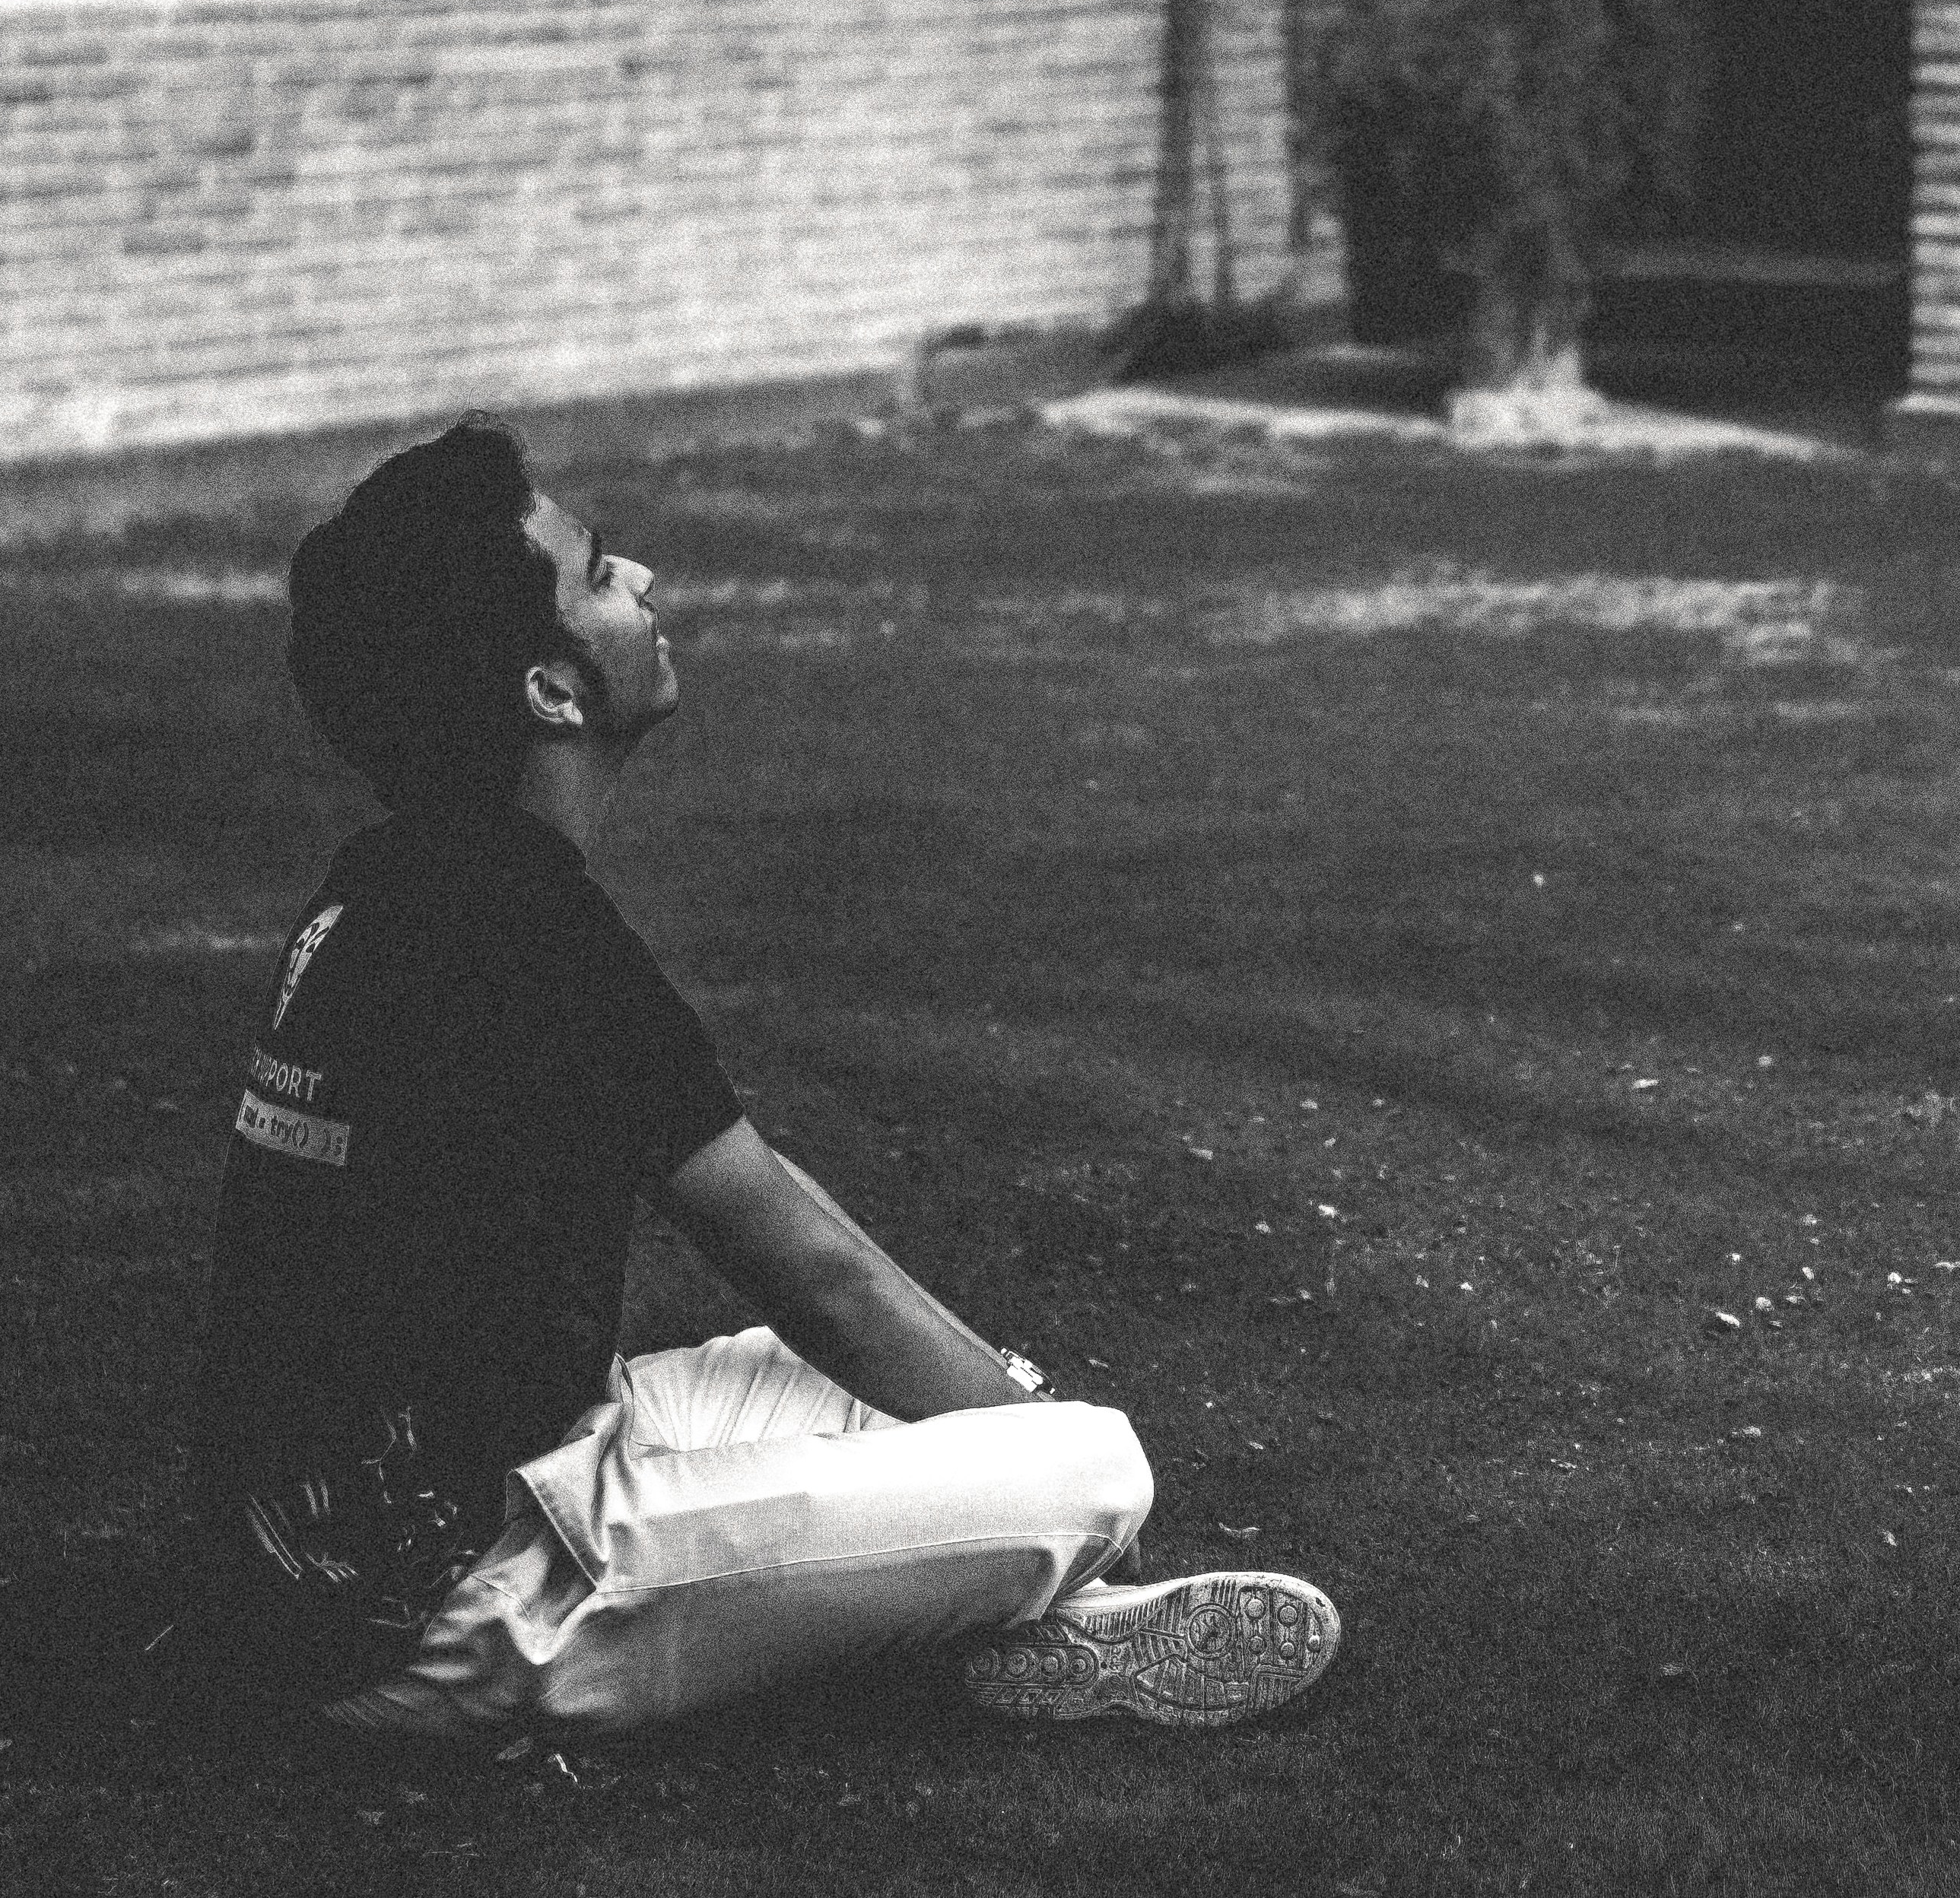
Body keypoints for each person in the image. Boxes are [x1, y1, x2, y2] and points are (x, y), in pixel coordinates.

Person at [178, 419, 1339, 1746]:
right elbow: (815, 1270)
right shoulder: (524, 936)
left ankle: (986, 1603)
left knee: (895, 1388)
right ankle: (1022, 1600)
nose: (643, 580)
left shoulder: (386, 884)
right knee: (1089, 1461)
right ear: (551, 691)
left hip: (396, 1519)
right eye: (600, 573)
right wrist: (1041, 1457)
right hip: (456, 1600)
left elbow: (790, 1228)